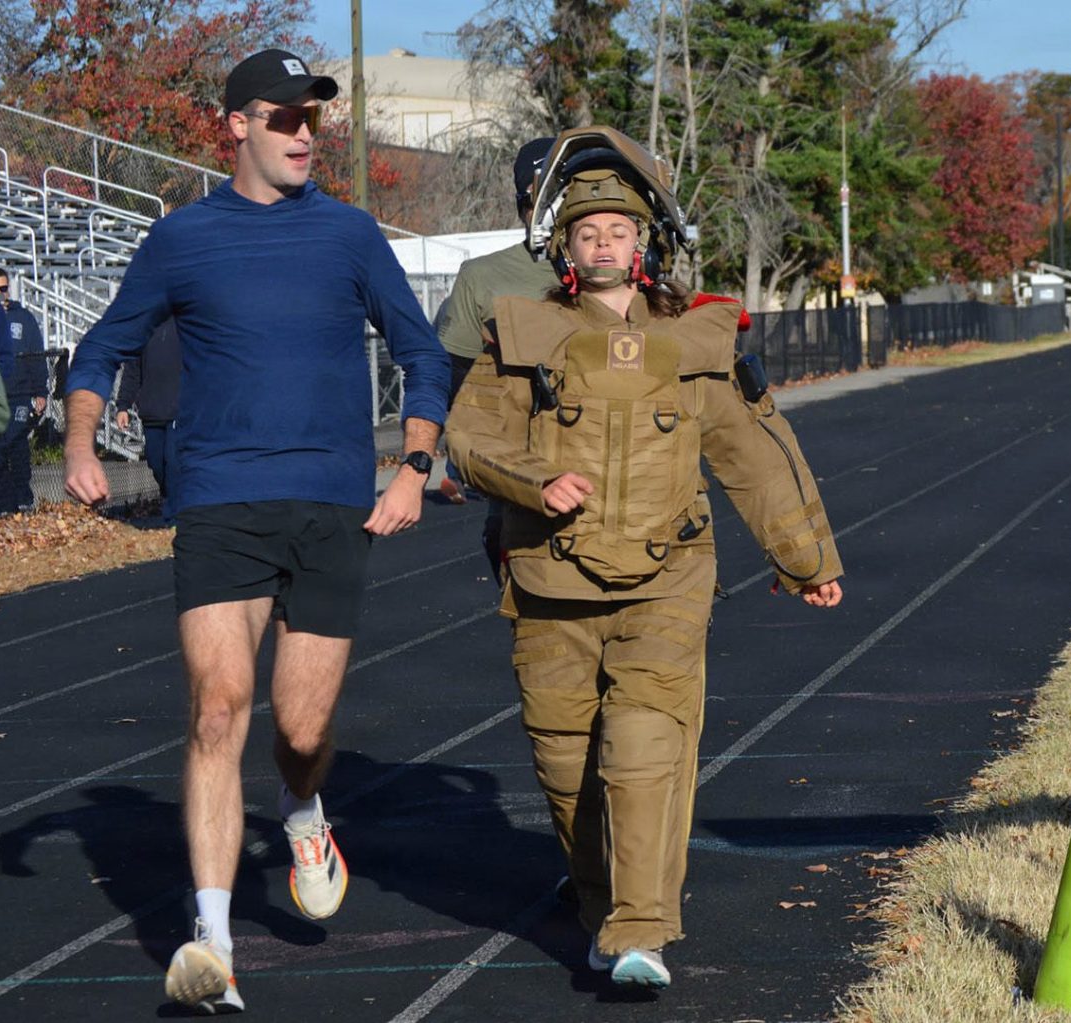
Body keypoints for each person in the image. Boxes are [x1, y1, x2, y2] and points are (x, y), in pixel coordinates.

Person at [61, 49, 449, 1015]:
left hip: (329, 504)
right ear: (233, 125)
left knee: (301, 730)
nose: (303, 132)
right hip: (219, 500)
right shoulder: (181, 238)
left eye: (312, 117)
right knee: (218, 709)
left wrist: (413, 464)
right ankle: (214, 939)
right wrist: (79, 442)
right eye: (282, 117)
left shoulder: (353, 235)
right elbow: (105, 344)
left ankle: (306, 810)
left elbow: (421, 351)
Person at [445, 126, 844, 992]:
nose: (602, 243)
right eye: (586, 232)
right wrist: (534, 478)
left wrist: (806, 558)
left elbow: (754, 451)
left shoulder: (696, 337)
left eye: (618, 230)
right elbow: (468, 441)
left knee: (643, 748)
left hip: (667, 579)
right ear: (562, 247)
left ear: (644, 244)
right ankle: (601, 909)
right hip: (549, 581)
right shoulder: (521, 332)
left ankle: (640, 930)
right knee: (563, 764)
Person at [431, 136, 557, 507]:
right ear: (524, 205)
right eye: (545, 196)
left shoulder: (618, 272)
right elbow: (452, 377)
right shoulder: (483, 276)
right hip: (522, 479)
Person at [0, 267, 48, 515]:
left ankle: (23, 500)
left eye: (3, 288)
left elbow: (36, 357)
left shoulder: (24, 318)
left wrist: (40, 391)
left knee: (16, 443)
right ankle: (6, 506)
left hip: (20, 394)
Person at [114, 317, 181, 507]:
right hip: (152, 411)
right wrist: (122, 406)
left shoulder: (187, 325)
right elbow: (132, 372)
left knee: (174, 462)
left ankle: (175, 511)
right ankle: (170, 495)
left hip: (180, 412)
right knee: (155, 461)